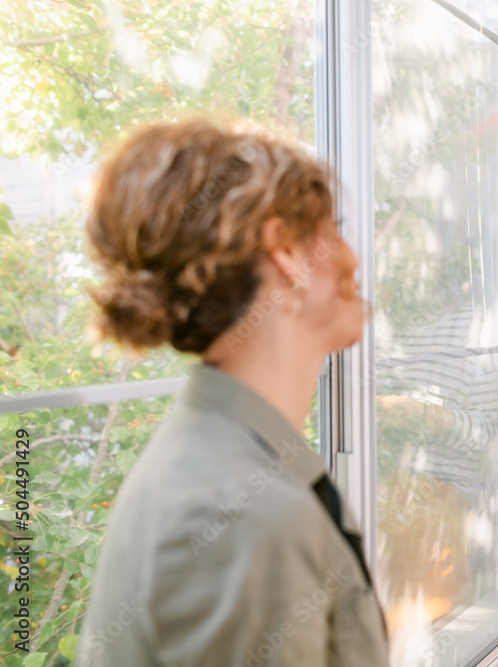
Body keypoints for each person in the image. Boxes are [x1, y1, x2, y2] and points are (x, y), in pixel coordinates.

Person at [77, 118, 389, 666]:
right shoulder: (242, 516)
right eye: (331, 229)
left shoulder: (226, 459)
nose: (352, 258)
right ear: (286, 253)